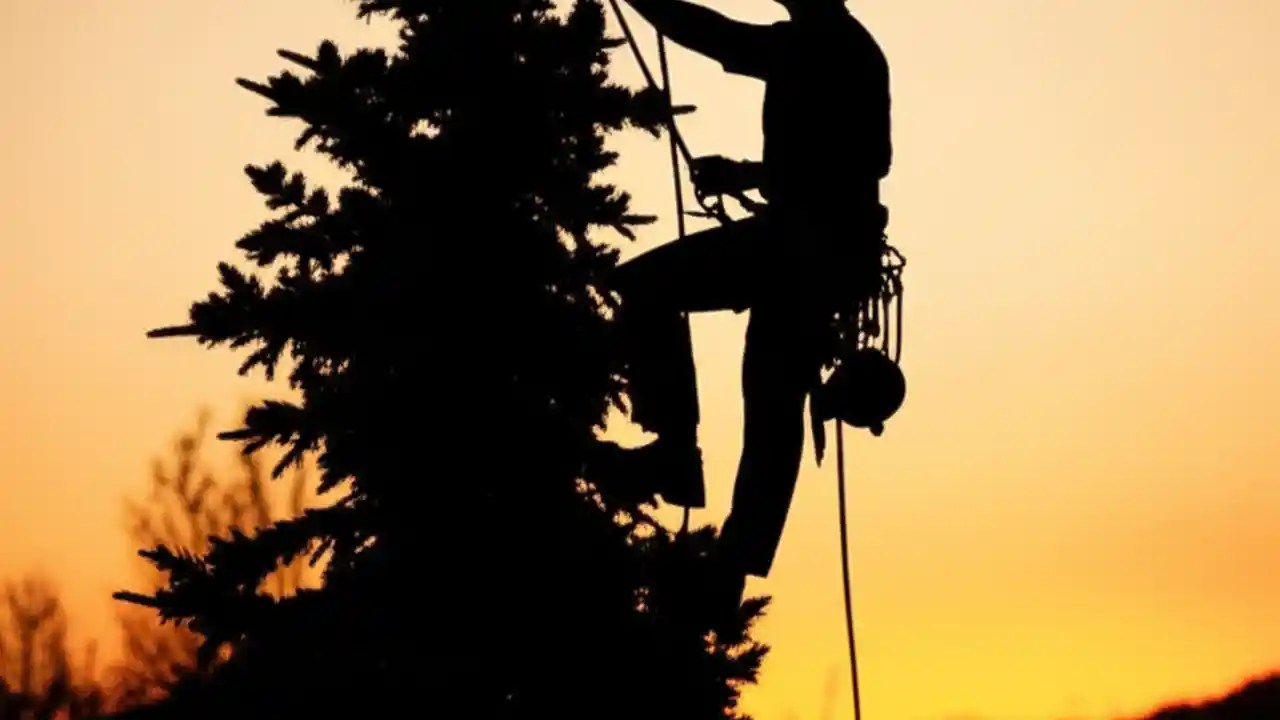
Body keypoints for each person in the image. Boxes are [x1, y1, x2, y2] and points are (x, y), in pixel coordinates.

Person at [590, 0, 893, 621]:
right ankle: (730, 561)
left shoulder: (817, 47)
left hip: (801, 248)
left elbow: (713, 36)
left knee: (654, 293)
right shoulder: (838, 48)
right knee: (773, 399)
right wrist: (750, 177)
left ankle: (678, 456)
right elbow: (851, 162)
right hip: (818, 251)